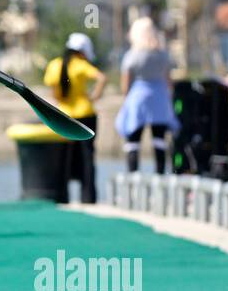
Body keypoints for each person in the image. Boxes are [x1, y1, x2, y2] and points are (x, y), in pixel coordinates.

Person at [43, 33, 106, 202]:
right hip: (86, 116)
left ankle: (62, 197)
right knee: (87, 159)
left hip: (64, 118)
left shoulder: (54, 65)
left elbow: (55, 93)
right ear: (82, 51)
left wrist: (63, 100)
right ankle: (88, 198)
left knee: (64, 160)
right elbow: (102, 78)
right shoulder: (81, 65)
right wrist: (94, 97)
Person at [115, 16, 178, 173]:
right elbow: (169, 81)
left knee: (133, 142)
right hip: (160, 98)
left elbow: (125, 84)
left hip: (138, 98)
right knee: (159, 141)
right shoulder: (163, 54)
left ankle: (133, 177)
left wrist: (126, 99)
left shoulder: (133, 55)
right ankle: (160, 177)